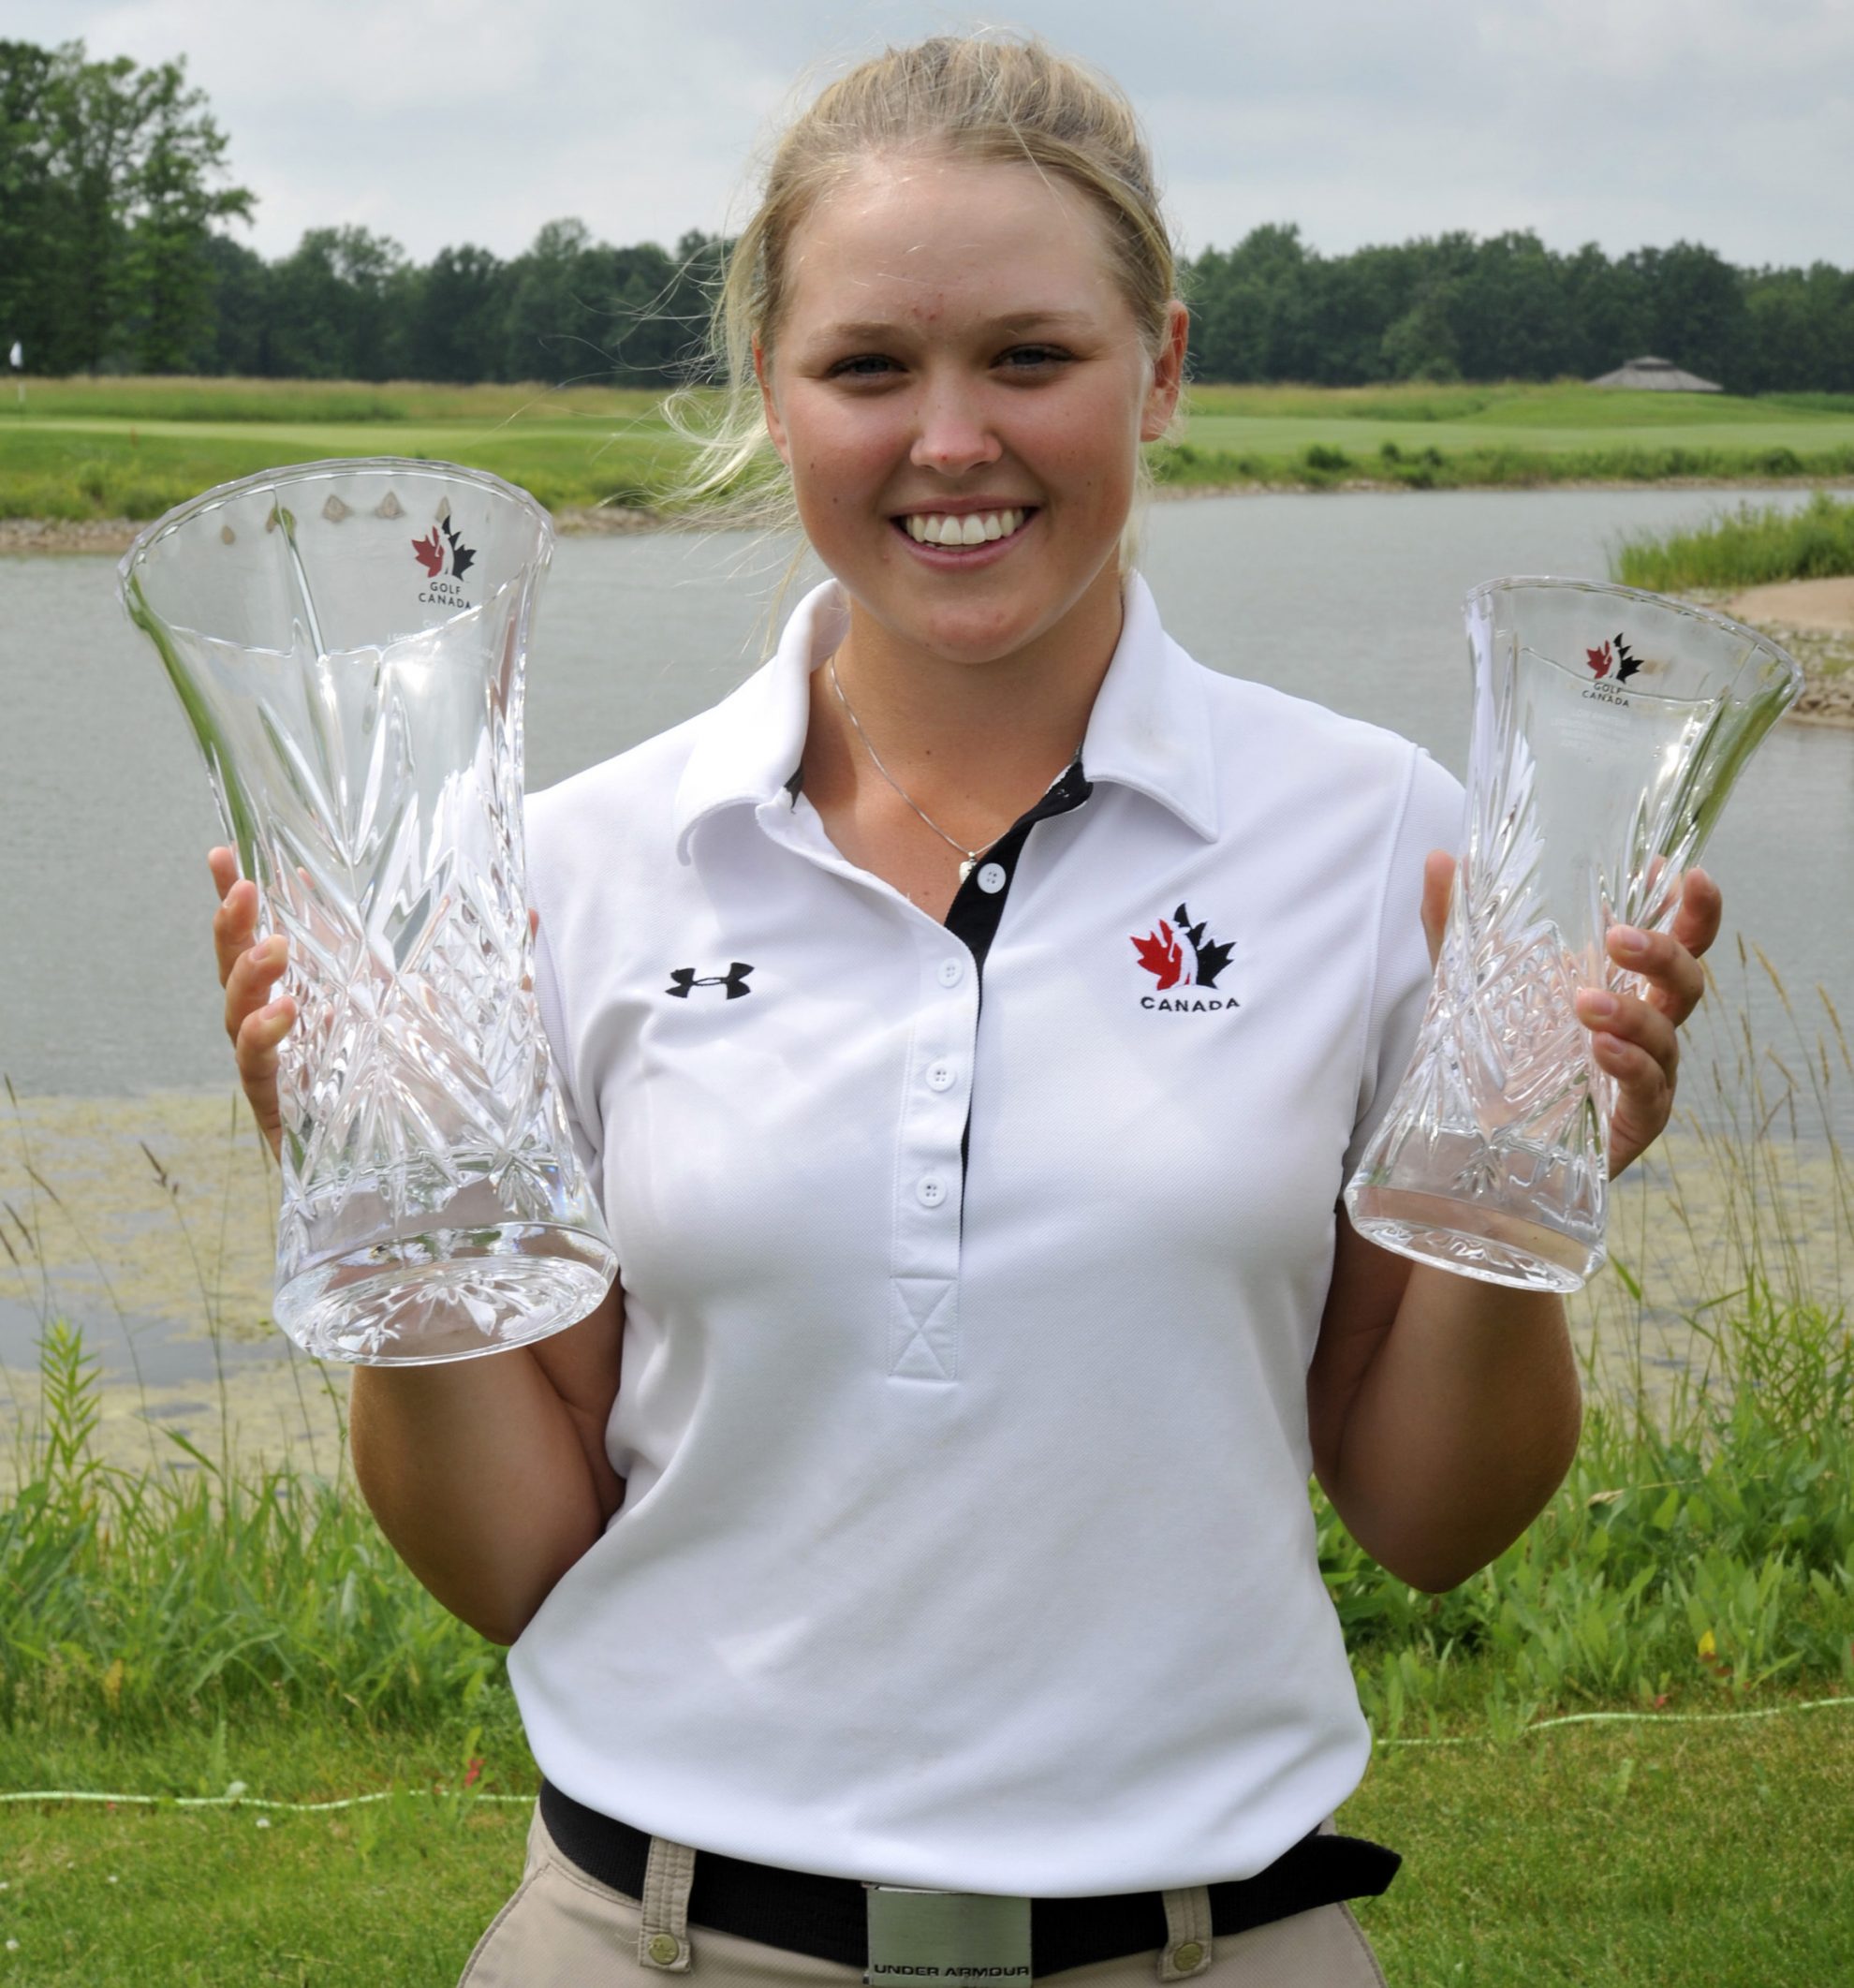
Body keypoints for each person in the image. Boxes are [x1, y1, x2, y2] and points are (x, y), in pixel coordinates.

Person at [207, 34, 1720, 1988]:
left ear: (1160, 365)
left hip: (1210, 1948)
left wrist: (1532, 1192)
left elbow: (1432, 1517)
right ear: (769, 385)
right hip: (647, 1938)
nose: (951, 439)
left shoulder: (1381, 842)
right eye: (867, 368)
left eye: (1028, 357)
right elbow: (514, 1553)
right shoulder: (567, 875)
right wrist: (380, 1193)